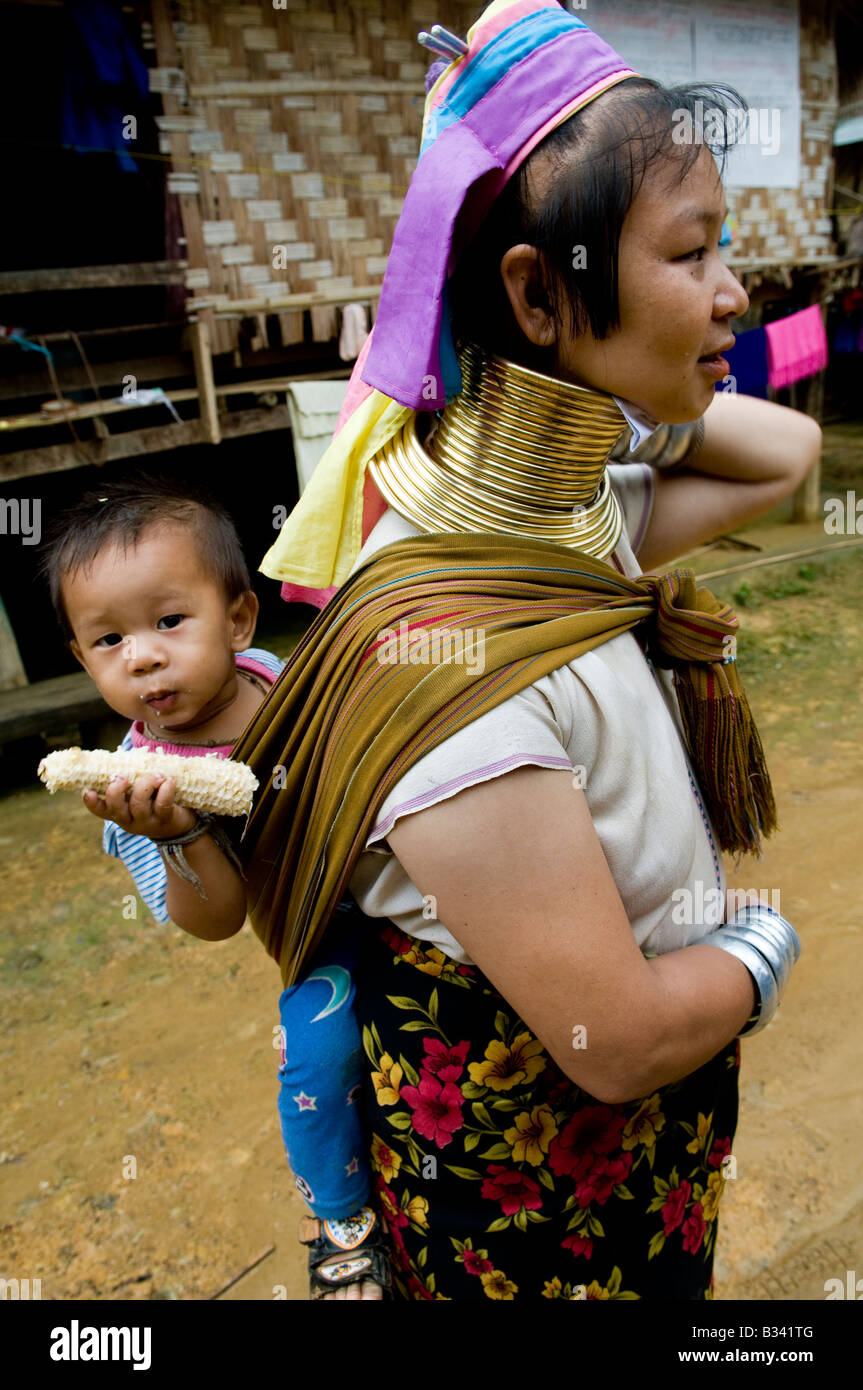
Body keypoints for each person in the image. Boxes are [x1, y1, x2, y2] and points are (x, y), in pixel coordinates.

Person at [140, 1, 816, 1300]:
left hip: (641, 1142)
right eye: (692, 254)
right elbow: (611, 1043)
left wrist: (626, 403)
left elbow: (784, 455)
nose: (734, 292)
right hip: (536, 1180)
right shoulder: (448, 659)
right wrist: (758, 945)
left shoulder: (577, 514)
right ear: (532, 291)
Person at [37, 473, 391, 1300]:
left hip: (415, 883)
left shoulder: (278, 681)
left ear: (238, 620)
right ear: (81, 660)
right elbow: (213, 922)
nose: (144, 655)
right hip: (322, 934)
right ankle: (339, 1221)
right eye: (108, 642)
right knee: (314, 1062)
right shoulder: (137, 787)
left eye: (168, 621)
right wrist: (184, 832)